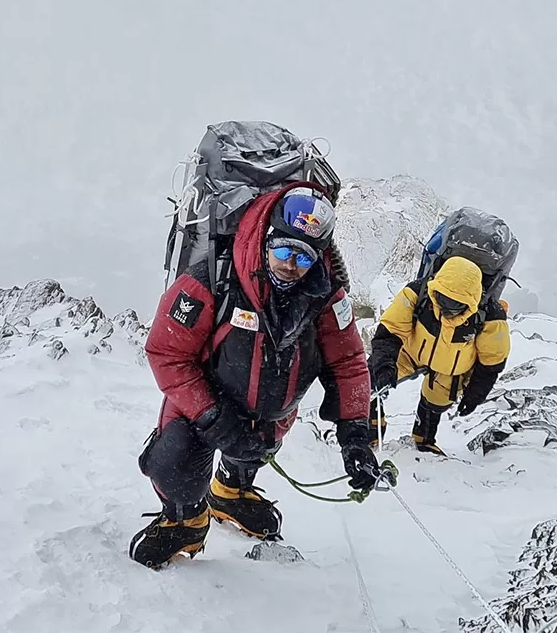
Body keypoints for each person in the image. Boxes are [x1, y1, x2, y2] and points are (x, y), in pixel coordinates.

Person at [129, 184, 381, 569]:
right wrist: (211, 415)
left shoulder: (326, 297)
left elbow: (348, 363)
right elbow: (168, 352)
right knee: (174, 462)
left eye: (303, 257)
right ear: (266, 239)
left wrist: (356, 438)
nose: (290, 265)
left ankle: (231, 492)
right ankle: (185, 520)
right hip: (199, 408)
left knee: (252, 449)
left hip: (270, 414)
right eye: (282, 250)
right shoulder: (212, 280)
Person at [366, 256, 511, 455]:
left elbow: (492, 361)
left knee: (436, 402)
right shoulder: (417, 292)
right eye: (442, 299)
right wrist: (384, 365)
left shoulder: (491, 316)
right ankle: (369, 433)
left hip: (450, 368)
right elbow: (391, 330)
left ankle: (423, 440)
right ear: (435, 289)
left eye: (456, 305)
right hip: (410, 352)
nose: (446, 308)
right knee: (368, 381)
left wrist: (475, 394)